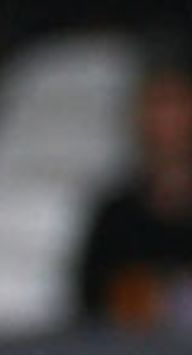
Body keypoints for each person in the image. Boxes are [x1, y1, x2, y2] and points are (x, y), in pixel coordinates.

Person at [77, 50, 192, 330]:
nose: (168, 121)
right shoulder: (115, 215)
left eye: (178, 106)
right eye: (157, 106)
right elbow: (90, 304)